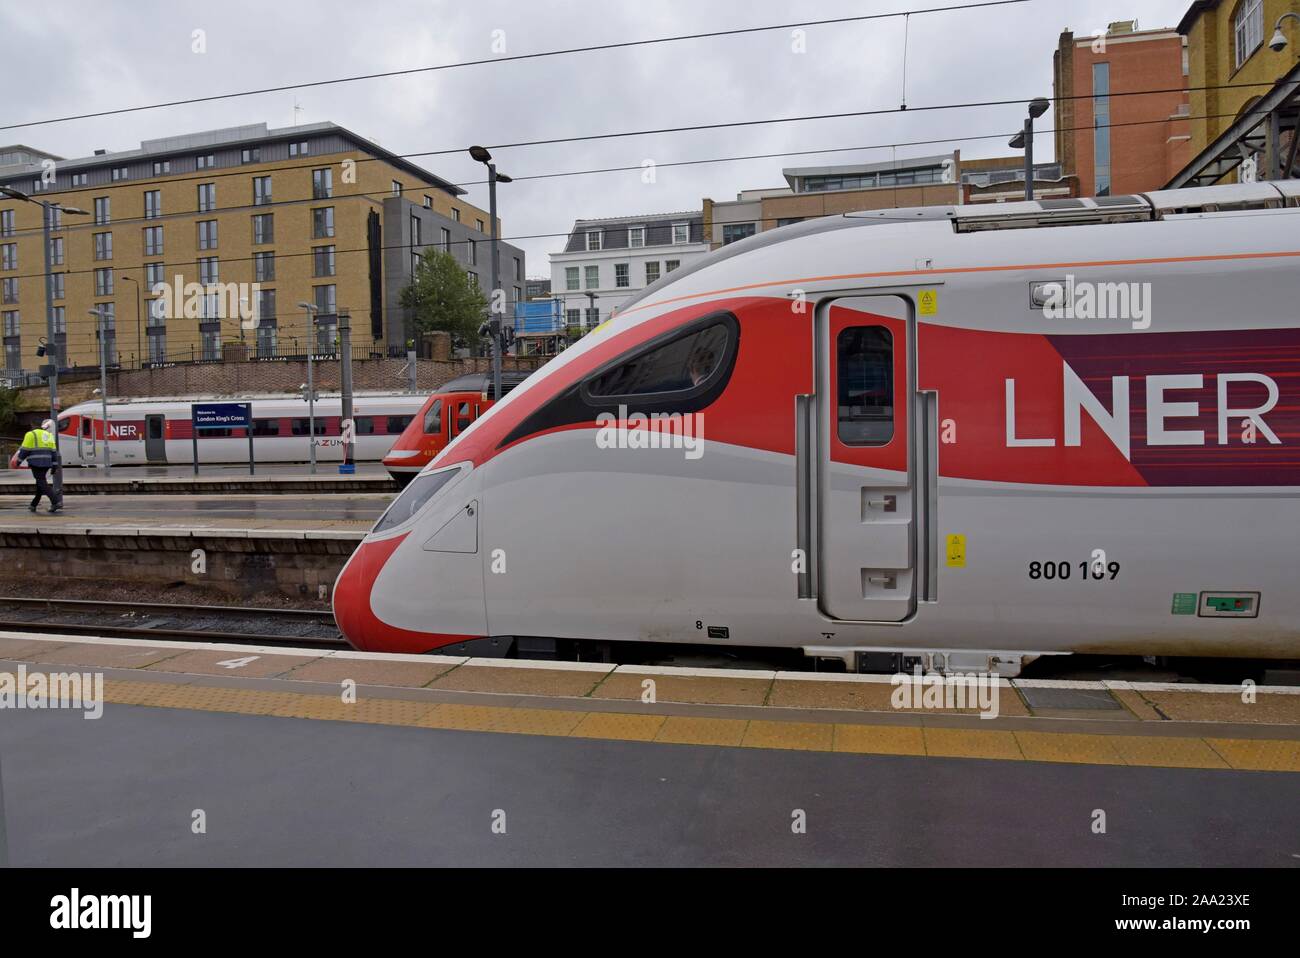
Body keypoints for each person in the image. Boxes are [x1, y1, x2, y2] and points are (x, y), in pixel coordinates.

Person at [17, 419, 61, 513]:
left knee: (42, 483)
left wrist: (18, 461)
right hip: (47, 463)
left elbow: (25, 450)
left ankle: (56, 502)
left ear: (32, 425)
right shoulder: (48, 435)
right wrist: (54, 466)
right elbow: (53, 452)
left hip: (36, 463)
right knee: (40, 483)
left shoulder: (30, 434)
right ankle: (33, 504)